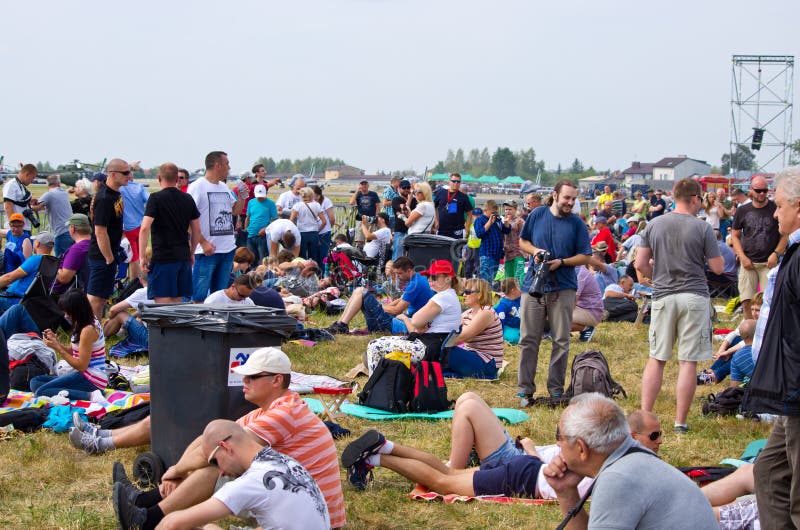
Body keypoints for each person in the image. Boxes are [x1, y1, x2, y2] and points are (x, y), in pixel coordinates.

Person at [110, 347, 345, 529]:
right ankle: (144, 505)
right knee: (216, 457)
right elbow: (210, 438)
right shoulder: (273, 409)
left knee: (218, 464)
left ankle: (148, 517)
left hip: (309, 513)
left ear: (276, 380)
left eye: (252, 377)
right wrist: (179, 468)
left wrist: (179, 470)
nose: (244, 381)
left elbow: (222, 449)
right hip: (300, 504)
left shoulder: (285, 413)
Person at [342, 392, 664, 498]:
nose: (660, 442)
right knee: (443, 480)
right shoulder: (612, 463)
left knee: (445, 474)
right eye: (655, 436)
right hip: (522, 473)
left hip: (524, 470)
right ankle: (376, 458)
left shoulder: (612, 461)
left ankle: (383, 448)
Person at [543, 393, 717, 530]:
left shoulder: (617, 479)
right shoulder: (636, 462)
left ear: (581, 448)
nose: (558, 444)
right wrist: (566, 493)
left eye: (561, 437)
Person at [636, 178, 724, 434]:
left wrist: (656, 275)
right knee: (688, 361)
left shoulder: (654, 224)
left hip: (663, 295)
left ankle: (645, 416)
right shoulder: (703, 228)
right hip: (694, 296)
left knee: (657, 357)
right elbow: (718, 267)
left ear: (674, 196)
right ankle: (680, 422)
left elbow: (640, 264)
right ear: (695, 198)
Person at [135, 419, 330, 530]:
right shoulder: (286, 462)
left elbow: (172, 524)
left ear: (225, 447)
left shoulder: (251, 482)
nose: (220, 471)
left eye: (215, 461)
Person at [741, 166, 800, 529]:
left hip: (797, 386)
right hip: (791, 389)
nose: (773, 213)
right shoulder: (793, 250)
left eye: (779, 205)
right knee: (768, 471)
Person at [517, 180, 591, 405]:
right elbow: (522, 242)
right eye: (567, 197)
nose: (570, 202)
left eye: (573, 199)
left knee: (561, 340)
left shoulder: (577, 224)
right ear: (555, 195)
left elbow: (586, 256)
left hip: (564, 286)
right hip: (533, 285)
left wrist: (562, 262)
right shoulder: (537, 215)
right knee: (528, 339)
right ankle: (524, 390)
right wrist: (536, 252)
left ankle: (556, 391)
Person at [187, 151, 246, 303]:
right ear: (217, 165)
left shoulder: (223, 187)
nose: (229, 167)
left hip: (226, 249)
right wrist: (203, 242)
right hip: (207, 251)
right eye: (227, 164)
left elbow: (235, 211)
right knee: (199, 295)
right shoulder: (197, 187)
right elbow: (187, 220)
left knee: (219, 295)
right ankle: (198, 323)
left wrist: (241, 197)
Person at [138, 162, 201, 304]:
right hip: (182, 256)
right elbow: (196, 229)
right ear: (177, 179)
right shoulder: (187, 198)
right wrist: (192, 252)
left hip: (163, 257)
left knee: (162, 303)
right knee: (176, 302)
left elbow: (144, 228)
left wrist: (142, 257)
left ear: (159, 178)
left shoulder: (155, 199)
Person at [31, 289, 106, 402]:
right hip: (81, 374)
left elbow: (81, 366)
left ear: (78, 311)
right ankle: (73, 391)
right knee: (35, 382)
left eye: (68, 312)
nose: (66, 316)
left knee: (41, 392)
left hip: (92, 379)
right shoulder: (81, 322)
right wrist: (56, 343)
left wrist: (57, 348)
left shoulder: (88, 330)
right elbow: (73, 351)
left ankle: (91, 396)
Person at [327, 257, 432, 335]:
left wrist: (378, 306)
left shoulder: (415, 284)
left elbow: (397, 310)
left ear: (409, 271)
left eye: (399, 274)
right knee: (358, 291)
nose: (397, 277)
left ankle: (342, 325)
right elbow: (401, 299)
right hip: (404, 320)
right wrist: (385, 306)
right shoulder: (418, 278)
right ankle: (341, 323)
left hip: (393, 325)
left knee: (361, 292)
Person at [730, 174, 787, 320]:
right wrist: (742, 257)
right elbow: (735, 235)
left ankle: (767, 331)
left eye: (765, 190)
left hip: (769, 262)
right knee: (746, 300)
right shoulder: (743, 210)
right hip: (748, 261)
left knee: (769, 300)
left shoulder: (775, 208)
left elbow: (785, 234)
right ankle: (749, 332)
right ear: (751, 190)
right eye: (758, 190)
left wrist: (776, 253)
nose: (762, 193)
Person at [86, 159, 129, 317]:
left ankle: (95, 332)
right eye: (125, 173)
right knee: (95, 297)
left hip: (110, 253)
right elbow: (100, 231)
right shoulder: (105, 198)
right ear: (113, 174)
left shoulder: (114, 194)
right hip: (102, 255)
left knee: (102, 297)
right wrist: (109, 258)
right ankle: (90, 333)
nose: (129, 176)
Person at [444, 278, 504, 379]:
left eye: (467, 292)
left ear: (480, 294)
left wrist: (439, 345)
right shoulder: (469, 312)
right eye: (464, 292)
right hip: (473, 356)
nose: (463, 295)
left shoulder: (486, 312)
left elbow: (462, 337)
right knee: (441, 351)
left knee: (446, 351)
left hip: (487, 363)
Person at [394, 259, 461, 336]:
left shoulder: (441, 298)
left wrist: (403, 317)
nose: (429, 279)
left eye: (434, 277)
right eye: (428, 276)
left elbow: (415, 322)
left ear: (448, 279)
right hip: (440, 340)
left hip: (432, 342)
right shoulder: (450, 294)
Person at [0, 231, 55, 314]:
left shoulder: (35, 260)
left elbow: (9, 278)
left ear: (37, 244)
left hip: (14, 300)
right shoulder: (53, 262)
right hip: (31, 301)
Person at [119, 164, 150, 280]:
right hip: (141, 227)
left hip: (127, 228)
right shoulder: (139, 187)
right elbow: (150, 200)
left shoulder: (120, 189)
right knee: (142, 255)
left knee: (133, 258)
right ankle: (142, 282)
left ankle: (134, 284)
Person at [31, 174, 73, 256]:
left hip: (61, 233)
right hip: (70, 231)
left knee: (59, 263)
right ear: (58, 183)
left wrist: (30, 205)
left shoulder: (49, 194)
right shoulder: (63, 192)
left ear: (48, 184)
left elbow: (37, 207)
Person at [52, 214, 92, 295]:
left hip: (70, 296)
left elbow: (64, 278)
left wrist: (53, 267)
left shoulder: (77, 249)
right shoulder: (94, 244)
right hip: (90, 290)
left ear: (72, 228)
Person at [473, 200, 510, 284]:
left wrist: (507, 223)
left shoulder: (497, 220)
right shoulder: (480, 220)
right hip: (487, 254)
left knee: (491, 279)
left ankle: (488, 295)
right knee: (486, 281)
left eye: (496, 212)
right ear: (485, 210)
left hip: (496, 255)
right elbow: (479, 234)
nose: (495, 214)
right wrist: (489, 222)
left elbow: (506, 231)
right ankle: (484, 296)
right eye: (493, 212)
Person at [289, 187, 326, 266]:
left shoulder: (297, 206)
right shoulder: (316, 205)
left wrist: (294, 230)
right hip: (313, 233)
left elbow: (291, 220)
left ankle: (302, 274)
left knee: (302, 257)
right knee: (313, 257)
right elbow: (324, 222)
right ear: (311, 195)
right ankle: (315, 273)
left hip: (301, 233)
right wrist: (318, 230)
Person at [244, 183, 278, 266]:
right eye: (258, 196)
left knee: (263, 259)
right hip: (250, 235)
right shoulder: (251, 202)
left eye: (262, 196)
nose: (260, 198)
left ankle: (264, 276)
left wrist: (266, 229)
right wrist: (245, 230)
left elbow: (275, 220)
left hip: (263, 236)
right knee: (251, 260)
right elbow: (248, 217)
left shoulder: (271, 203)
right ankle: (252, 276)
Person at [433, 173, 473, 239]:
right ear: (449, 182)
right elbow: (434, 207)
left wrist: (467, 228)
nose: (456, 183)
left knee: (456, 249)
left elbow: (469, 213)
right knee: (441, 249)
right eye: (454, 181)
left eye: (458, 181)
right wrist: (436, 221)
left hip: (457, 231)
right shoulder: (441, 192)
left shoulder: (463, 197)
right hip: (441, 229)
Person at [572, 265, 603, 342]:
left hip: (591, 313)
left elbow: (572, 302)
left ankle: (586, 328)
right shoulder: (573, 270)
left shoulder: (580, 273)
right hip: (580, 308)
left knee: (558, 319)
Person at [3, 163, 36, 234]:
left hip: (23, 227)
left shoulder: (20, 186)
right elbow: (8, 206)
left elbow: (20, 203)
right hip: (18, 230)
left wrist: (30, 203)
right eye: (33, 177)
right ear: (27, 174)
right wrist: (15, 227)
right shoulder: (11, 185)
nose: (32, 180)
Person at [349, 179, 380, 247]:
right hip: (361, 219)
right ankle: (359, 252)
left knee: (370, 238)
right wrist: (357, 191)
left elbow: (377, 205)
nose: (364, 186)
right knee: (360, 239)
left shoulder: (373, 194)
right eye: (362, 184)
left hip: (371, 218)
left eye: (365, 184)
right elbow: (351, 203)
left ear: (368, 185)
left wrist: (377, 216)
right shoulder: (358, 194)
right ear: (360, 186)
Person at [502, 200, 525, 284]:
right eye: (506, 209)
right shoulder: (503, 220)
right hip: (507, 254)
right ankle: (510, 296)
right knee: (508, 278)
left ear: (515, 209)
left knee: (518, 277)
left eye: (510, 209)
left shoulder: (519, 221)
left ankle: (519, 296)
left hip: (518, 253)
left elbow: (525, 235)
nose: (507, 211)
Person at [390, 179, 415, 260]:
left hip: (412, 231)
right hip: (400, 231)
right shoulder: (396, 200)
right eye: (404, 188)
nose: (406, 190)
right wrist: (410, 198)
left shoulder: (415, 200)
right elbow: (404, 210)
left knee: (410, 257)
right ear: (399, 189)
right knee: (398, 256)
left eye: (408, 188)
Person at [312, 185, 335, 267]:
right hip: (314, 232)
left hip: (324, 232)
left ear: (320, 195)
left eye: (317, 196)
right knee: (314, 256)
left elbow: (332, 218)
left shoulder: (326, 201)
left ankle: (323, 275)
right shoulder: (310, 201)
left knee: (323, 256)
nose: (315, 198)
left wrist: (329, 227)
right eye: (313, 196)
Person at [494, 278, 521, 344]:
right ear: (513, 290)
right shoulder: (503, 304)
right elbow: (500, 321)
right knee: (515, 338)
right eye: (519, 287)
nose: (521, 289)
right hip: (508, 327)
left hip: (520, 326)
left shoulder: (520, 298)